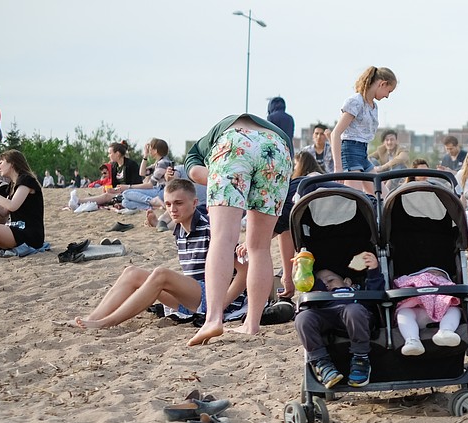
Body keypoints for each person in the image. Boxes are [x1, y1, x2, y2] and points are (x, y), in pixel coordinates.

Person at [72, 179, 247, 329]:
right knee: (132, 272)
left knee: (161, 274)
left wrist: (221, 305)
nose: (173, 210)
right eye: (169, 204)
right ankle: (92, 318)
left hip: (217, 298)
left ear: (194, 203)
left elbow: (244, 271)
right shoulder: (179, 230)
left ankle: (107, 322)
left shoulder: (210, 229)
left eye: (179, 203)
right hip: (194, 298)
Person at [184, 113, 293, 346]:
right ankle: (252, 323)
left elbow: (194, 172)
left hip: (234, 145)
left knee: (222, 239)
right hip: (279, 148)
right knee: (260, 247)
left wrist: (221, 180)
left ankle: (213, 319)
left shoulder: (200, 149)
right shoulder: (264, 128)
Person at [294, 255, 383, 388]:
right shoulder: (322, 294)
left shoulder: (356, 291)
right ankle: (321, 363)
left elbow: (375, 291)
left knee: (354, 310)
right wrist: (302, 269)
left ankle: (360, 358)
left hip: (356, 315)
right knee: (303, 318)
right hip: (327, 314)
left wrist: (374, 271)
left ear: (347, 281)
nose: (327, 284)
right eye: (321, 283)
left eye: (331, 280)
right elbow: (310, 284)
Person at [332, 66, 397, 192]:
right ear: (382, 84)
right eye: (388, 91)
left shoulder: (373, 106)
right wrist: (338, 167)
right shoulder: (356, 101)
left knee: (384, 196)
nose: (387, 96)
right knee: (354, 198)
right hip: (350, 151)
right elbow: (336, 133)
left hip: (363, 153)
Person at [274, 150, 327, 299]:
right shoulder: (323, 180)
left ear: (303, 165)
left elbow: (284, 225)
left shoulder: (305, 183)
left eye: (295, 165)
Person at [394, 267, 462, 356]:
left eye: (439, 274)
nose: (434, 275)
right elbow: (399, 283)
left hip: (442, 309)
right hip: (417, 312)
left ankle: (446, 331)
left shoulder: (445, 283)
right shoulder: (414, 279)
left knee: (454, 310)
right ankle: (412, 340)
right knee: (404, 313)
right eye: (431, 272)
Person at [0, 150, 44, 252]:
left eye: (1, 163)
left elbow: (12, 206)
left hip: (29, 233)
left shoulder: (26, 180)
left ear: (12, 163)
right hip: (17, 229)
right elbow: (3, 211)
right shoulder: (13, 185)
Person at [69, 142, 145, 211]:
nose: (108, 155)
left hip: (132, 194)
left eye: (110, 153)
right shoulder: (114, 166)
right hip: (121, 193)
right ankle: (78, 202)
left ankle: (78, 201)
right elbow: (115, 185)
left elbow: (137, 185)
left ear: (117, 154)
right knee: (106, 194)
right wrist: (113, 189)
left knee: (106, 196)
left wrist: (119, 190)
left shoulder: (131, 165)